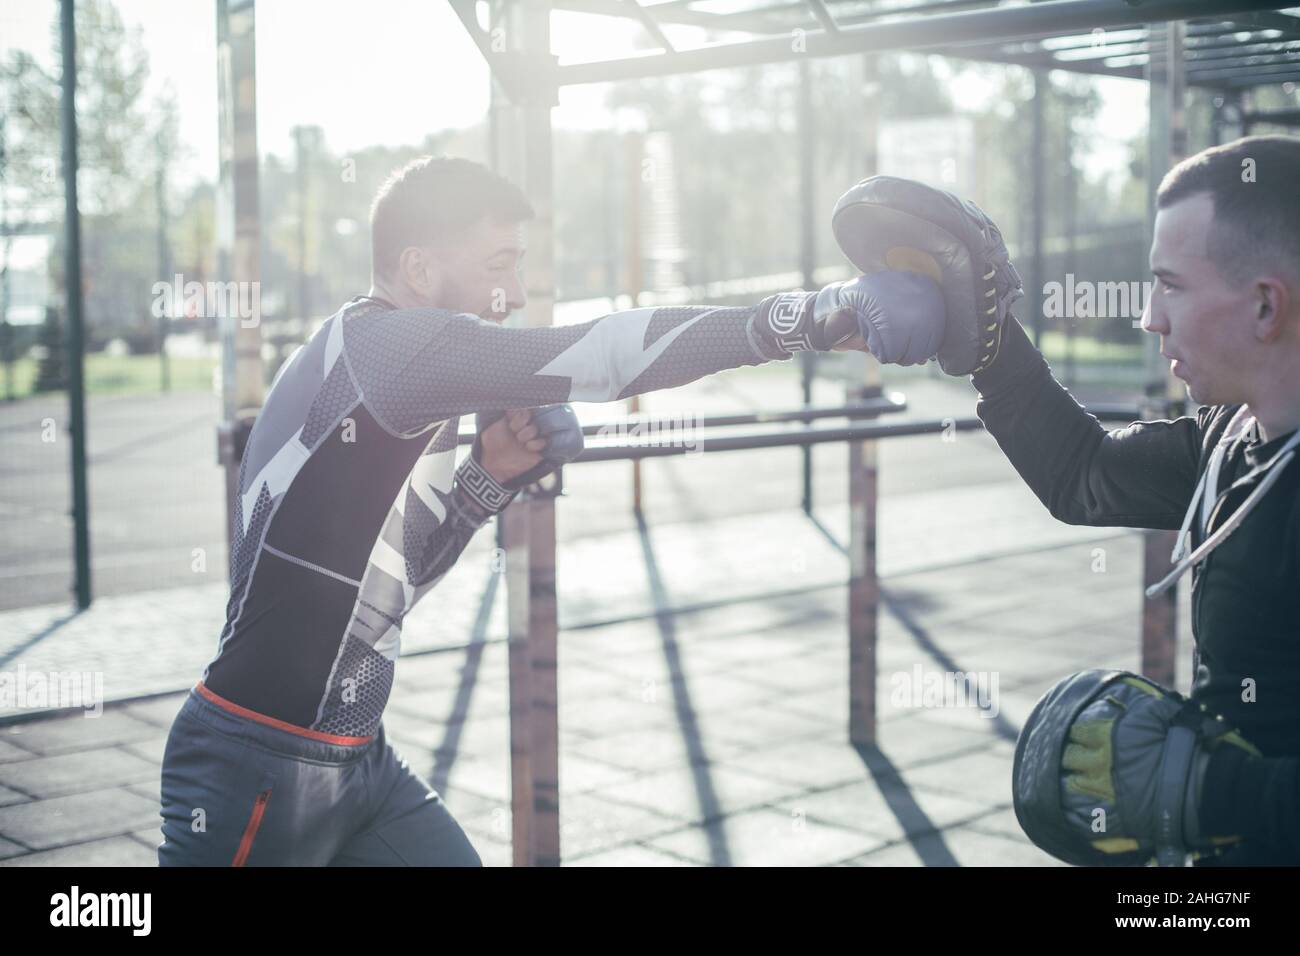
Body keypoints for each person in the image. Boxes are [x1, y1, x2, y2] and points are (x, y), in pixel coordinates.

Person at [156, 155, 943, 866]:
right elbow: (601, 356)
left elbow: (386, 591)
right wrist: (816, 315)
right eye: (500, 266)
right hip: (252, 760)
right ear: (418, 269)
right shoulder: (387, 353)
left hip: (359, 764)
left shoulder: (393, 370)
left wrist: (485, 479)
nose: (518, 294)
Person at [840, 136, 1299, 866]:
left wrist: (1209, 791)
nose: (1150, 317)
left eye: (1171, 285)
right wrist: (987, 341)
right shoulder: (1233, 435)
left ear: (1266, 305)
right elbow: (1083, 474)